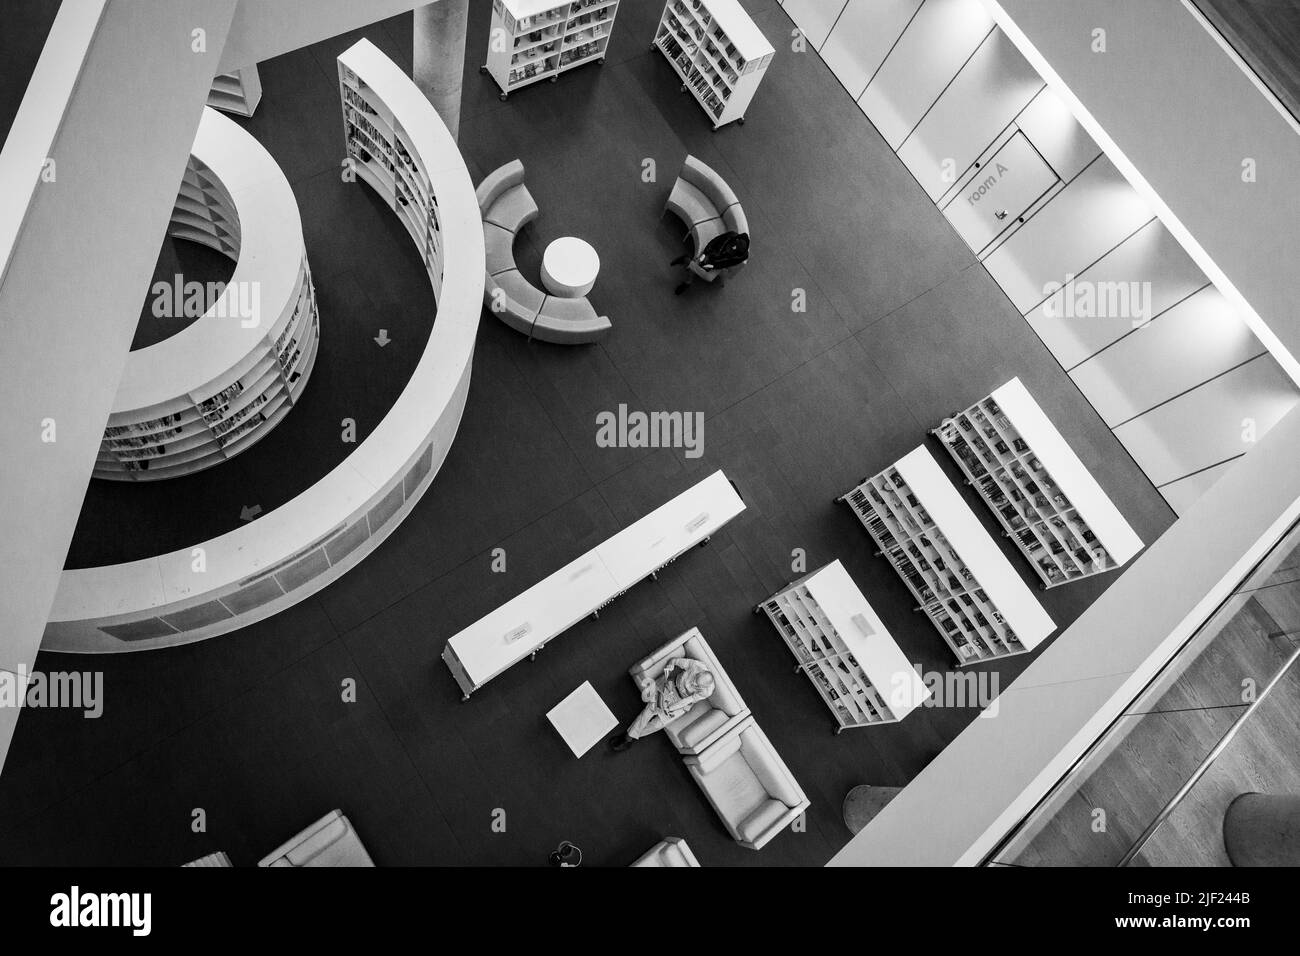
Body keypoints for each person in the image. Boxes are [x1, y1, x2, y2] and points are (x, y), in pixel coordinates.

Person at [610, 657, 716, 751]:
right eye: (694, 680)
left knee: (658, 724)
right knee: (650, 710)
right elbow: (674, 661)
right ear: (698, 673)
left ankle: (631, 735)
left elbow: (687, 701)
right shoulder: (696, 665)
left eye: (696, 686)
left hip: (681, 702)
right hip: (670, 686)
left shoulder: (706, 692)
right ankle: (627, 738)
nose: (692, 684)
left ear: (703, 687)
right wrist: (670, 667)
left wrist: (670, 708)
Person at [671, 230, 750, 295]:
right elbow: (714, 241)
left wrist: (711, 265)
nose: (731, 249)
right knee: (697, 264)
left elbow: (725, 264)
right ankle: (688, 282)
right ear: (736, 239)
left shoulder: (741, 257)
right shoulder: (731, 235)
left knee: (709, 277)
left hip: (718, 264)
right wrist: (706, 254)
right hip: (709, 253)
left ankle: (687, 261)